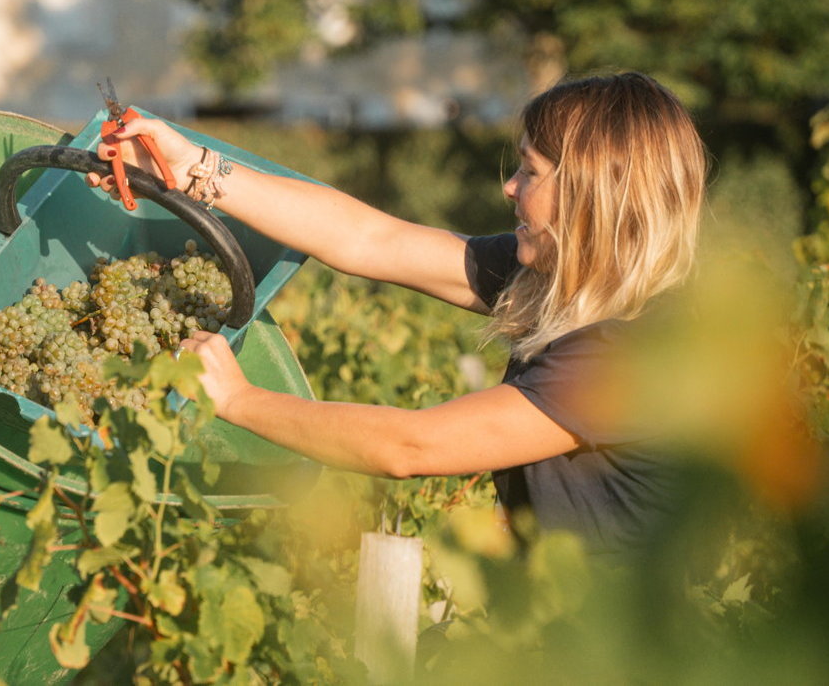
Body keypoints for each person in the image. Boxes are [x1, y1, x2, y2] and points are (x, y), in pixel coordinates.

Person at [91, 72, 707, 553]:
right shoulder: (559, 285)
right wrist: (194, 168)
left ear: (593, 194)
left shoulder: (628, 357)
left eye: (530, 170)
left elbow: (411, 447)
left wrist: (237, 400)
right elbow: (371, 241)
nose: (510, 187)